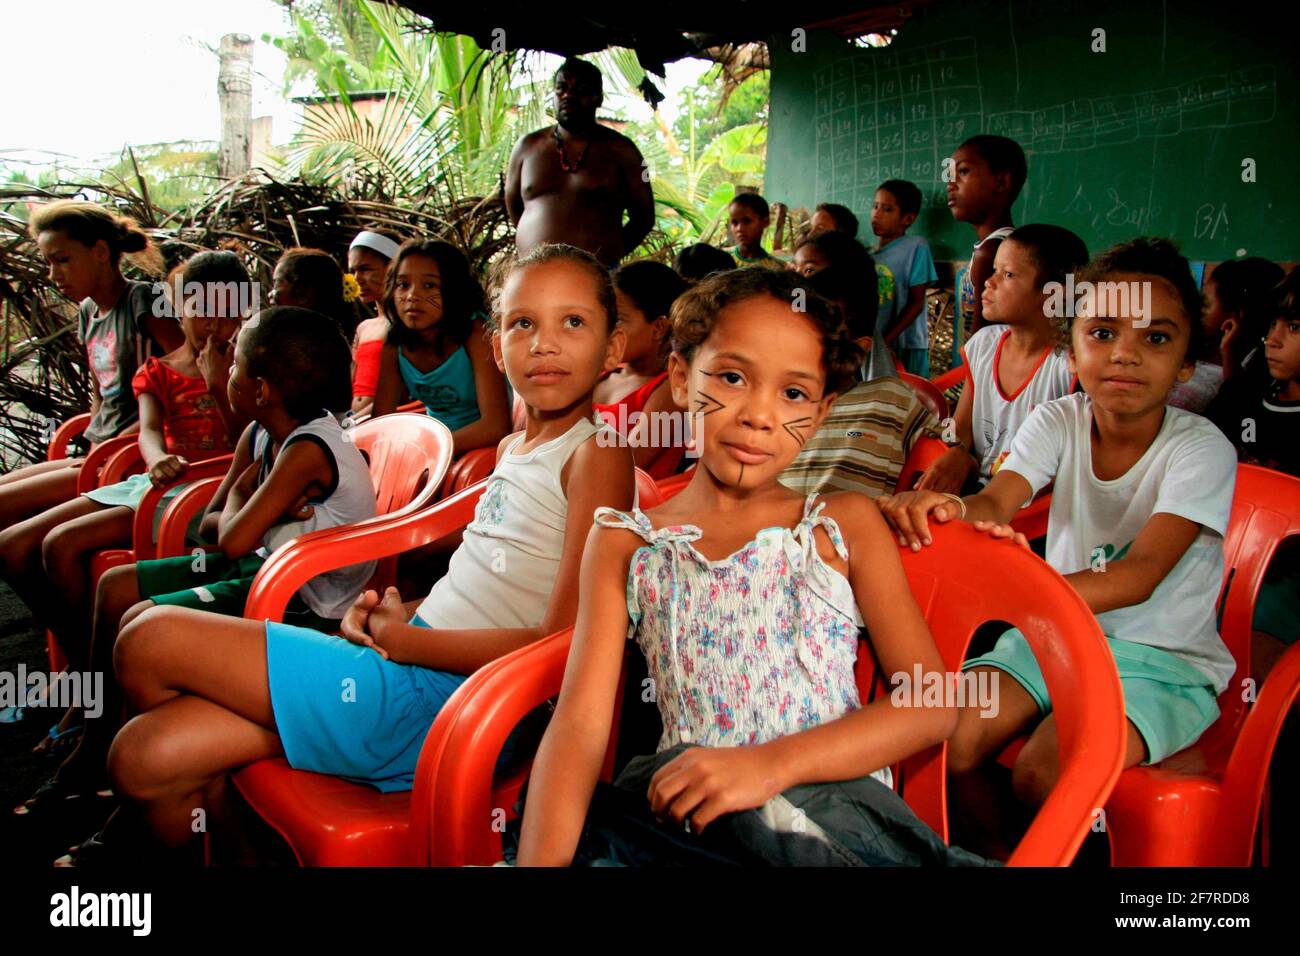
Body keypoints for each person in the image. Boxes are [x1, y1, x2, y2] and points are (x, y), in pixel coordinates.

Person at [92, 244, 635, 865]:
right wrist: (394, 610)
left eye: (573, 322)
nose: (544, 343)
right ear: (494, 344)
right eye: (522, 322)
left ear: (613, 348)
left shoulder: (599, 455)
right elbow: (489, 582)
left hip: (459, 705)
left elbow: (567, 640)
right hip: (409, 670)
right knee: (144, 757)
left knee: (149, 636)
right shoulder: (515, 450)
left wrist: (406, 643)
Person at [511, 267, 989, 867]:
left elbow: (930, 703)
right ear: (682, 379)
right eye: (732, 378)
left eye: (793, 394)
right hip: (690, 819)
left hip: (828, 816)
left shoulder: (840, 523)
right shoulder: (626, 542)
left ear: (820, 413)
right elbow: (579, 729)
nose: (759, 415)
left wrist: (765, 767)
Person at [879, 238, 1237, 860]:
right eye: (1102, 332)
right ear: (1072, 349)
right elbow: (995, 503)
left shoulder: (1200, 448)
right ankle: (997, 856)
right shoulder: (1058, 420)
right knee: (947, 736)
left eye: (1155, 338)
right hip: (1054, 637)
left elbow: (1140, 577)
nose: (1125, 354)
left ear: (1186, 363)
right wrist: (947, 509)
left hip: (1160, 660)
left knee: (1043, 772)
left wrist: (1019, 596)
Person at [26, 306, 377, 830]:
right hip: (264, 569)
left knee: (141, 620)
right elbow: (216, 518)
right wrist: (254, 497)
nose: (223, 374)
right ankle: (99, 736)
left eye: (233, 366)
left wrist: (246, 503)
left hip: (302, 605)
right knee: (117, 586)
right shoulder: (260, 435)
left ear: (262, 390)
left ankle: (123, 773)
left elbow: (231, 538)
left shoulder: (309, 449)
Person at [22, 252, 250, 742]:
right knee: (52, 545)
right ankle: (87, 675)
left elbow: (250, 443)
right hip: (157, 480)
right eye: (198, 307)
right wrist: (153, 459)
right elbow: (148, 432)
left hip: (205, 491)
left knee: (63, 546)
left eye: (225, 310)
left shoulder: (248, 371)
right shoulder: (160, 369)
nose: (212, 321)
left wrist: (218, 381)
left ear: (242, 311)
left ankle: (93, 695)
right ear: (179, 307)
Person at [0, 201, 181, 537]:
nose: (54, 275)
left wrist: (113, 448)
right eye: (48, 263)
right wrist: (94, 445)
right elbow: (100, 394)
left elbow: (187, 385)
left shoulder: (143, 300)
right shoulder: (87, 311)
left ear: (100, 251)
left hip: (133, 456)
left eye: (63, 260)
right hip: (100, 450)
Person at [918, 224, 1087, 493]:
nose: (989, 282)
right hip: (978, 494)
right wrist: (960, 455)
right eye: (995, 270)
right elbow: (961, 434)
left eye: (1007, 274)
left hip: (1030, 508)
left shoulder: (1069, 365)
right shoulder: (984, 344)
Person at [1207, 266, 1300, 680]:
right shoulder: (1242, 396)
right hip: (1215, 559)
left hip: (1281, 578)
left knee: (1250, 667)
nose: (1272, 339)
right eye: (1274, 324)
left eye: (1294, 327)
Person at [505, 59, 655, 267]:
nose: (568, 95)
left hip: (598, 275)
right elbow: (514, 207)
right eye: (561, 88)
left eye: (580, 89)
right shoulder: (527, 147)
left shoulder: (624, 151)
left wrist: (609, 254)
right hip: (533, 274)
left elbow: (644, 218)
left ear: (598, 98)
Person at [370, 240, 512, 454]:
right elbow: (381, 424)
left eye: (429, 285)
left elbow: (495, 427)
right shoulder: (394, 344)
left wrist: (428, 451)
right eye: (403, 284)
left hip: (483, 451)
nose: (412, 296)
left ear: (453, 290)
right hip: (434, 448)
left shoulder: (476, 334)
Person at [593, 261, 689, 477]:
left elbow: (623, 466)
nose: (607, 330)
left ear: (658, 328)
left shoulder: (670, 392)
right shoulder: (603, 372)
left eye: (618, 320)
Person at [948, 135, 1027, 341]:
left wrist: (970, 371)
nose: (950, 184)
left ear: (1001, 182)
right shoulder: (1000, 244)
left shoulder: (993, 251)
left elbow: (983, 338)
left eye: (963, 171)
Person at [872, 179, 939, 377]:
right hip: (875, 342)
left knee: (906, 400)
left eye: (887, 209)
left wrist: (887, 339)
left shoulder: (916, 246)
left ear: (908, 219)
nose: (877, 214)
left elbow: (916, 302)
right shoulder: (867, 254)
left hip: (903, 343)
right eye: (875, 206)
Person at [347, 226, 402, 417]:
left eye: (365, 269)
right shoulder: (364, 328)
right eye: (353, 271)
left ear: (393, 268)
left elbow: (402, 393)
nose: (357, 279)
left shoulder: (407, 326)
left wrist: (354, 422)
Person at [269, 247, 359, 339]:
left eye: (277, 285)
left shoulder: (299, 344)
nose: (269, 294)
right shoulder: (335, 338)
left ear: (303, 295)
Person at [726, 193, 785, 270]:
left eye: (747, 221)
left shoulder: (776, 268)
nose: (739, 229)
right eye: (734, 222)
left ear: (765, 222)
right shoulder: (721, 261)